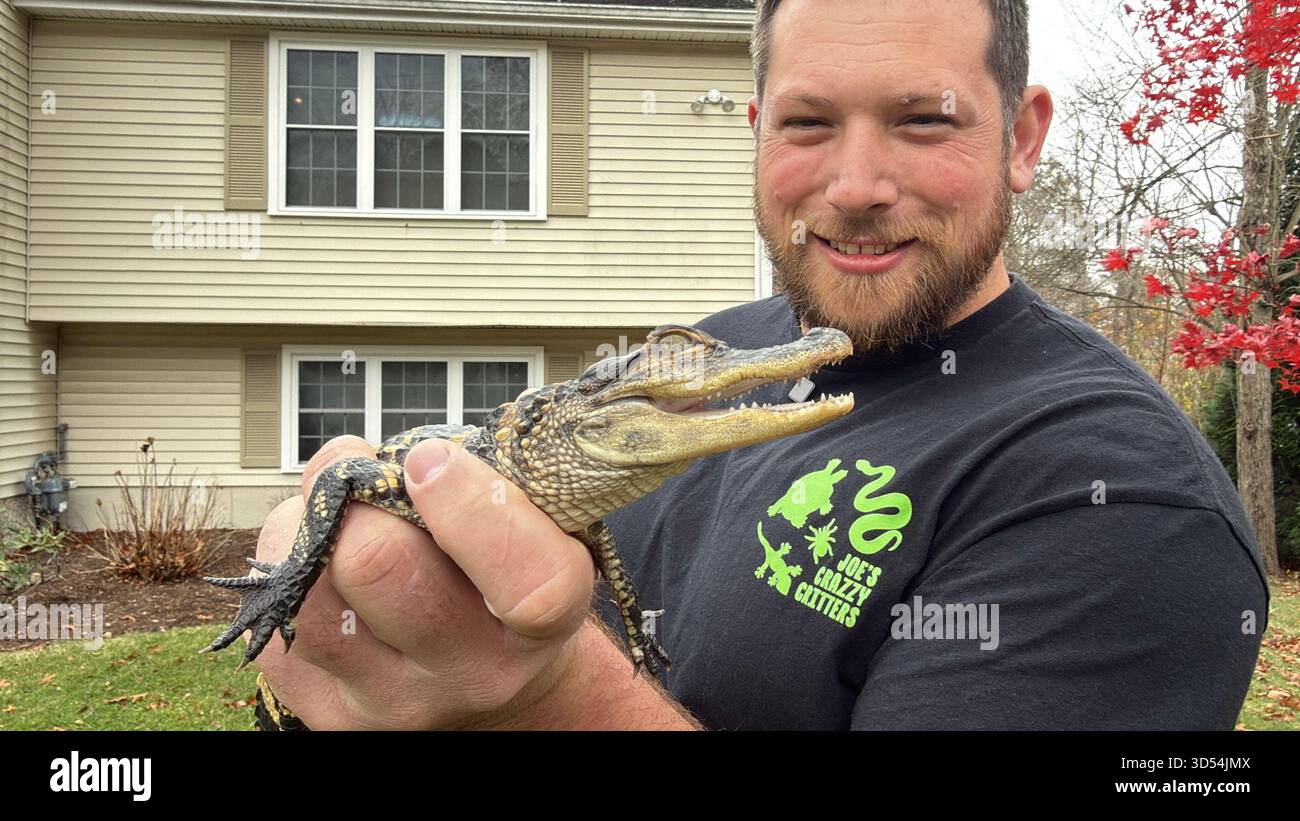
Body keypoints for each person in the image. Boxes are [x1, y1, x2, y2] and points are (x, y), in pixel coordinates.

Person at [249, 0, 1268, 730]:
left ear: (1022, 136)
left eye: (923, 119)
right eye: (807, 122)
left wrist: (546, 702)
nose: (857, 183)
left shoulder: (1121, 496)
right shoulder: (714, 354)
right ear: (754, 135)